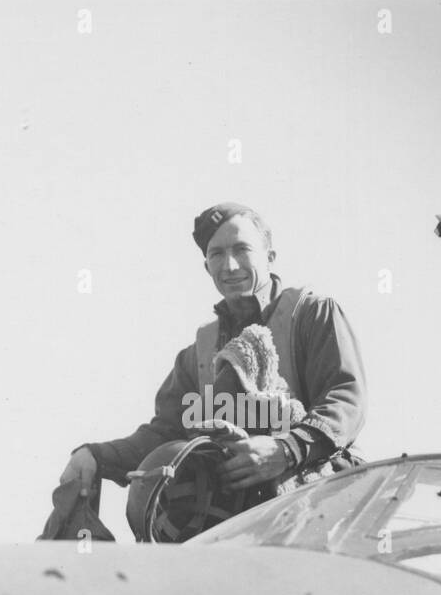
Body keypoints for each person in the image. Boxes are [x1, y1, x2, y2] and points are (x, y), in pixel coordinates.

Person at [58, 201, 367, 514]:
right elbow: (165, 435)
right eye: (216, 254)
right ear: (207, 266)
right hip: (238, 524)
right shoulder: (198, 354)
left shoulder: (310, 315)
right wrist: (95, 455)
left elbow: (344, 401)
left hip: (319, 507)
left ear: (270, 257)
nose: (230, 266)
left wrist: (286, 450)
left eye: (241, 249)